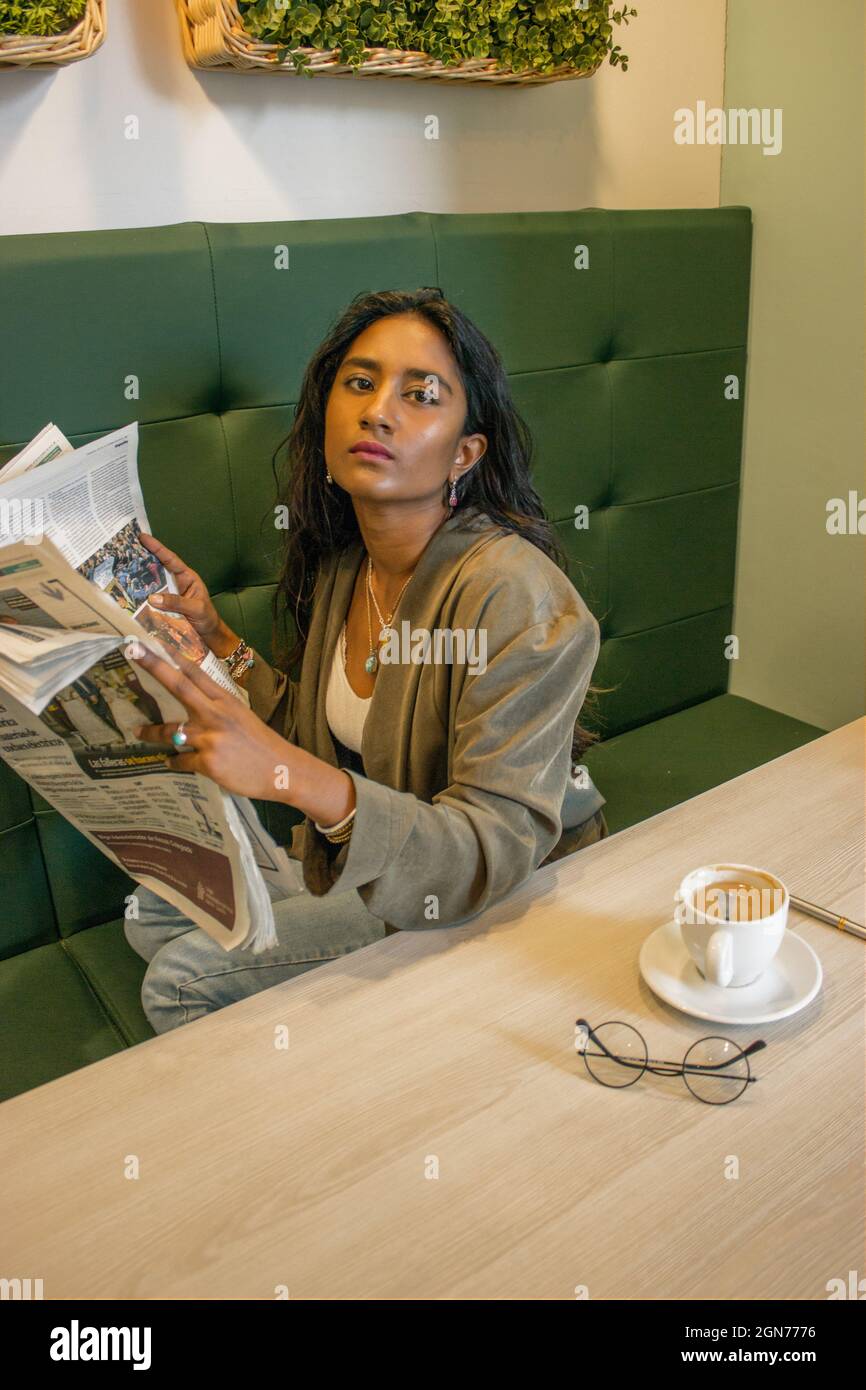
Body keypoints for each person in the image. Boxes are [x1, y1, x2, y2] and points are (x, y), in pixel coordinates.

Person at [122, 287, 609, 1034]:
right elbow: (329, 733)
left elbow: (489, 847)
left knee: (179, 982)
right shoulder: (350, 563)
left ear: (466, 452)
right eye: (360, 382)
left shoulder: (515, 598)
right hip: (378, 848)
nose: (378, 409)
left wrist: (287, 776)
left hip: (487, 884)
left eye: (421, 395)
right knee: (152, 912)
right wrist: (219, 641)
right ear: (326, 422)